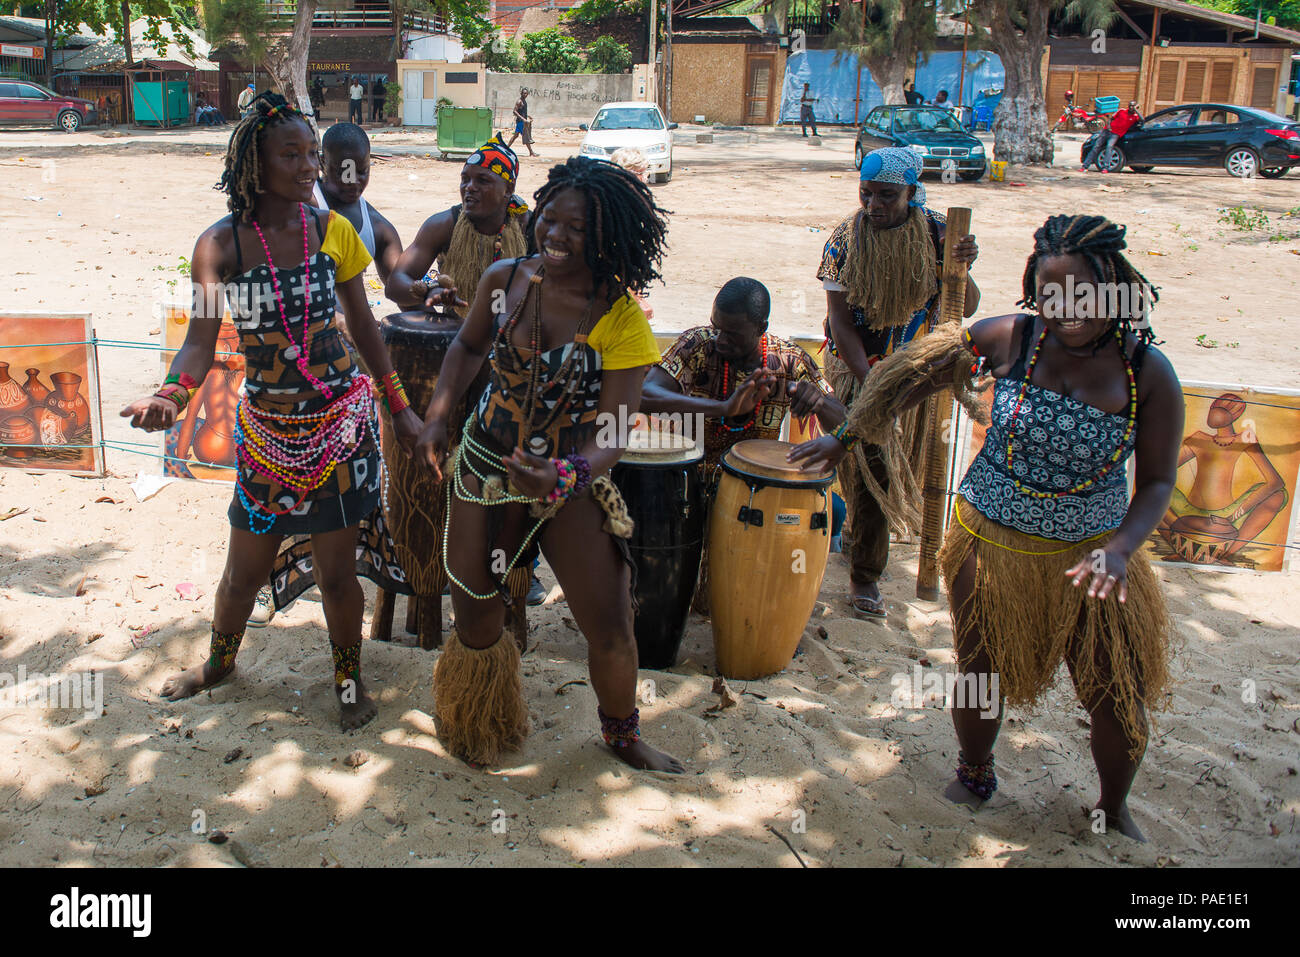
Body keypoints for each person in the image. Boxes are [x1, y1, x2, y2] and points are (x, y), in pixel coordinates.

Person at [819, 214, 1182, 842]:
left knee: (1113, 685)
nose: (1066, 309)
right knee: (981, 666)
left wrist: (1122, 549)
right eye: (1049, 294)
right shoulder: (1012, 338)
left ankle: (1113, 805)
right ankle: (977, 771)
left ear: (1115, 288)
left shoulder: (1146, 373)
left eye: (1082, 294)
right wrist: (847, 435)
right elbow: (906, 380)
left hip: (1093, 554)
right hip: (991, 536)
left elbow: (1154, 482)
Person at [120, 92, 423, 731]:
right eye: (293, 154)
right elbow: (200, 343)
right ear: (255, 163)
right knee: (241, 573)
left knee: (339, 578)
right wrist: (169, 398)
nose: (311, 166)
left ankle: (348, 683)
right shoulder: (219, 245)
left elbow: (366, 331)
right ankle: (220, 665)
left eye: (313, 153)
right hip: (267, 438)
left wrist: (399, 409)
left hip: (340, 429)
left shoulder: (331, 231)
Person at [414, 155, 683, 773]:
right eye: (549, 219)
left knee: (611, 623)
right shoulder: (505, 281)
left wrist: (569, 475)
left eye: (578, 228)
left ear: (608, 235)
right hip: (485, 461)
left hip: (569, 480)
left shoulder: (621, 317)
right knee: (476, 605)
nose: (556, 236)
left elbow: (615, 428)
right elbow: (468, 345)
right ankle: (484, 719)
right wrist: (436, 417)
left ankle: (621, 736)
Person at [251, 121, 410, 627]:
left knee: (338, 507)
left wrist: (426, 290)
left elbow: (396, 284)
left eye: (360, 168)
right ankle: (263, 586)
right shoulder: (292, 211)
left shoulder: (369, 225)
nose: (350, 177)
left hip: (343, 395)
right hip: (284, 392)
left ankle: (337, 592)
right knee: (271, 505)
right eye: (340, 165)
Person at [815, 146, 979, 619]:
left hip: (917, 373)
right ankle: (865, 574)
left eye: (887, 195)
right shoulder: (843, 240)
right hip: (858, 368)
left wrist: (961, 264)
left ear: (911, 191)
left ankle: (863, 549)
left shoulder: (939, 234)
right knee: (871, 464)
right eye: (866, 194)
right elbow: (840, 323)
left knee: (893, 466)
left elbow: (965, 306)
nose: (874, 206)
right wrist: (873, 385)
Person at [386, 135, 540, 605]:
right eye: (464, 180)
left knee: (510, 473)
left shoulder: (532, 226)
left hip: (513, 370)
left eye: (482, 181)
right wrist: (425, 292)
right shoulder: (444, 225)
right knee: (445, 469)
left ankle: (517, 569)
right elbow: (396, 280)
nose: (468, 188)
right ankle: (432, 561)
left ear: (508, 185)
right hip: (455, 362)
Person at [642, 277, 848, 612]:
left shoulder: (790, 362)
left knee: (831, 511)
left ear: (760, 327)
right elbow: (644, 394)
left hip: (754, 492)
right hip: (688, 483)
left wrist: (820, 403)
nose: (720, 339)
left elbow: (845, 424)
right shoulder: (697, 345)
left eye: (732, 333)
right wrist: (722, 409)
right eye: (716, 327)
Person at [1157, 393, 1287, 566]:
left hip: (1227, 514)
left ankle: (1225, 553)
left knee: (1278, 495)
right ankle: (1182, 547)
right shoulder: (1199, 438)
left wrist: (1233, 516)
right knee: (1147, 485)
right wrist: (1177, 522)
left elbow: (1275, 481)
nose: (1214, 412)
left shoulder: (1244, 439)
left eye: (1222, 408)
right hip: (1187, 511)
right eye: (1214, 407)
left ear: (1235, 415)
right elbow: (1161, 469)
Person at [1081, 100, 1142, 173]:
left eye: (1133, 106)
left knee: (1109, 147)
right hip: (1107, 131)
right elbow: (1111, 118)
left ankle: (1105, 167)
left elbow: (1142, 120)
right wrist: (1109, 126)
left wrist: (1136, 110)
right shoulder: (1121, 111)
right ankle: (1085, 166)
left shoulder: (1135, 116)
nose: (1131, 107)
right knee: (1096, 146)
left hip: (1115, 134)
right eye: (1130, 106)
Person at [507, 88, 536, 157]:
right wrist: (523, 119)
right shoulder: (519, 101)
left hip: (522, 121)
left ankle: (506, 148)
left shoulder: (524, 101)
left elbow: (522, 112)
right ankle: (531, 152)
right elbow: (514, 111)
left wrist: (528, 116)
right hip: (520, 122)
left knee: (515, 136)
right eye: (523, 93)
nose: (525, 94)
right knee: (525, 136)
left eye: (526, 93)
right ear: (521, 93)